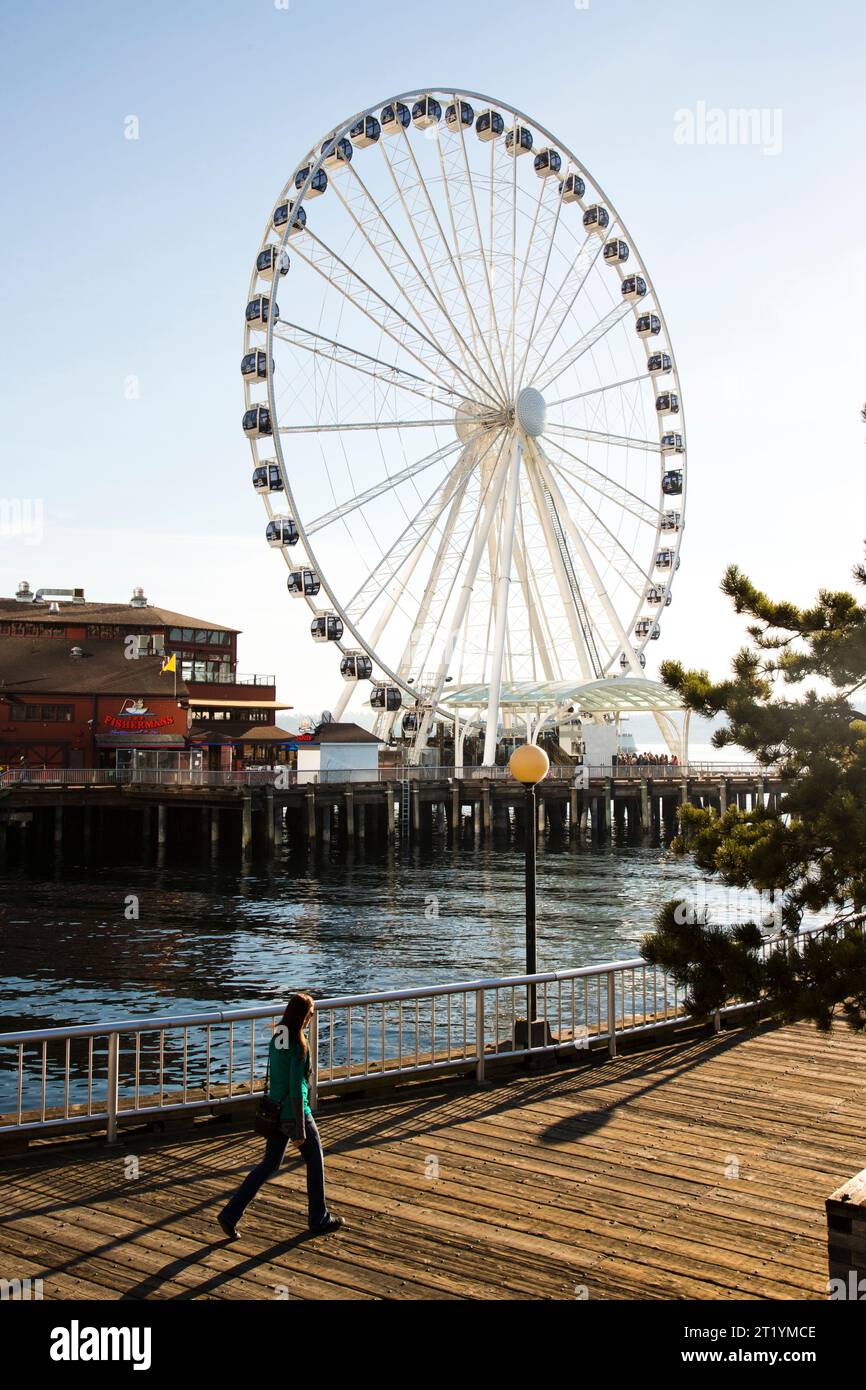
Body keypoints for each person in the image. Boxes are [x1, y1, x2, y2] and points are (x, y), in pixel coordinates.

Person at [218, 992, 343, 1239]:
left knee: (269, 1164)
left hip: (274, 1110)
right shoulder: (298, 1044)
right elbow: (297, 1088)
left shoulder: (278, 1038)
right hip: (294, 1113)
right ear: (303, 1016)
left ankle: (230, 1213)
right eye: (311, 1013)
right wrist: (300, 1127)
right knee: (315, 1161)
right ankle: (318, 1217)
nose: (312, 1017)